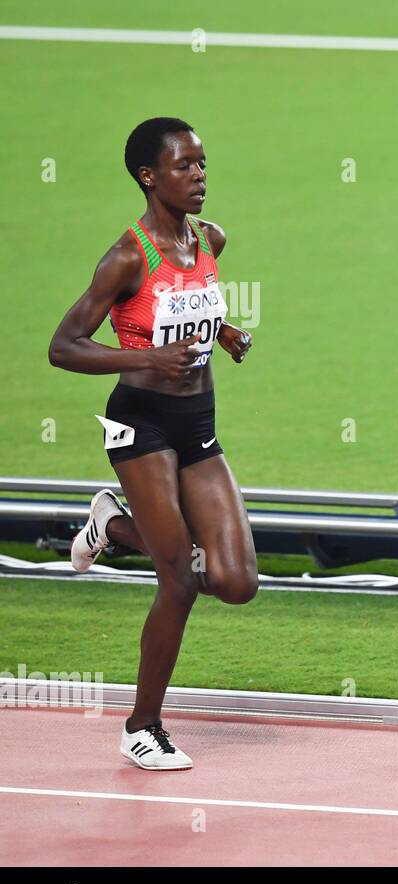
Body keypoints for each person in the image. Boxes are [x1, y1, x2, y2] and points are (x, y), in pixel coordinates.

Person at [48, 117, 258, 769]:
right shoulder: (127, 256)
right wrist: (142, 361)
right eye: (183, 166)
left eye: (202, 163)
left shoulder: (209, 237)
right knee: (179, 580)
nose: (199, 176)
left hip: (198, 423)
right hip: (140, 423)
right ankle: (142, 726)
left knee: (235, 580)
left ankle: (111, 526)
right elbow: (63, 347)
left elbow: (195, 301)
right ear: (148, 176)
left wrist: (223, 333)